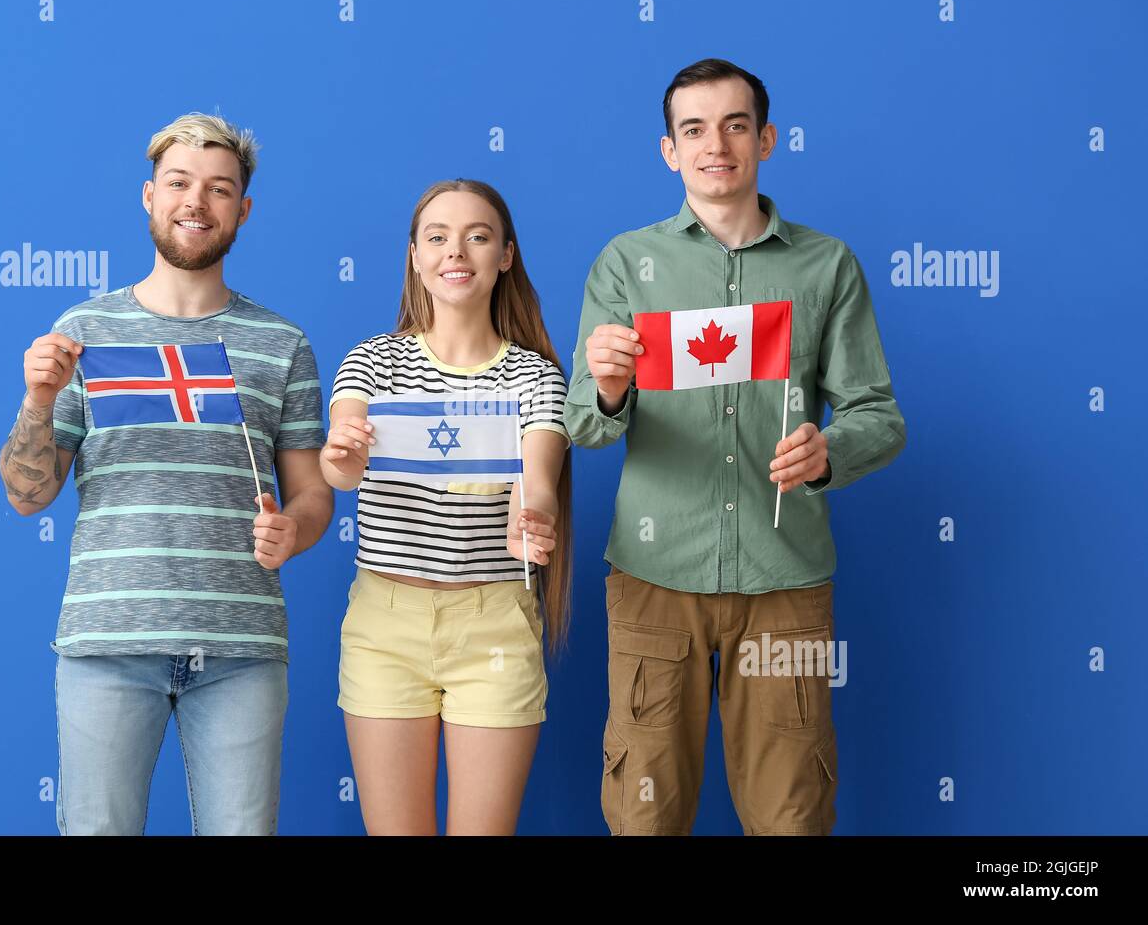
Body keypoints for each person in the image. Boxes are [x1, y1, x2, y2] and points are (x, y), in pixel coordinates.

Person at [565, 59, 907, 835]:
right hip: (655, 578)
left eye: (735, 125)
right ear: (668, 150)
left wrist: (831, 451)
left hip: (784, 575)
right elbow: (584, 423)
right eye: (694, 129)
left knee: (793, 811)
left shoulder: (827, 266)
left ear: (767, 140)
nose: (715, 144)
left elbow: (879, 414)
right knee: (644, 810)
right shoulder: (625, 264)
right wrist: (610, 387)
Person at [0, 112, 332, 835]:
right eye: (178, 183)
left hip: (242, 647)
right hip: (107, 644)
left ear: (242, 211)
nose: (195, 202)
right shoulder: (82, 331)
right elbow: (29, 494)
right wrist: (36, 400)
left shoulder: (282, 344)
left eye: (218, 189)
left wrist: (293, 531)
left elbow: (313, 494)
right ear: (149, 196)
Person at [321, 179, 572, 835]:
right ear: (415, 256)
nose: (454, 251)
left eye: (477, 236)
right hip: (385, 626)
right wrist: (342, 452)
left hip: (494, 624)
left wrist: (531, 522)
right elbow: (339, 469)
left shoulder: (536, 377)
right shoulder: (371, 364)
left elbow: (537, 478)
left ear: (505, 256)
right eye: (436, 237)